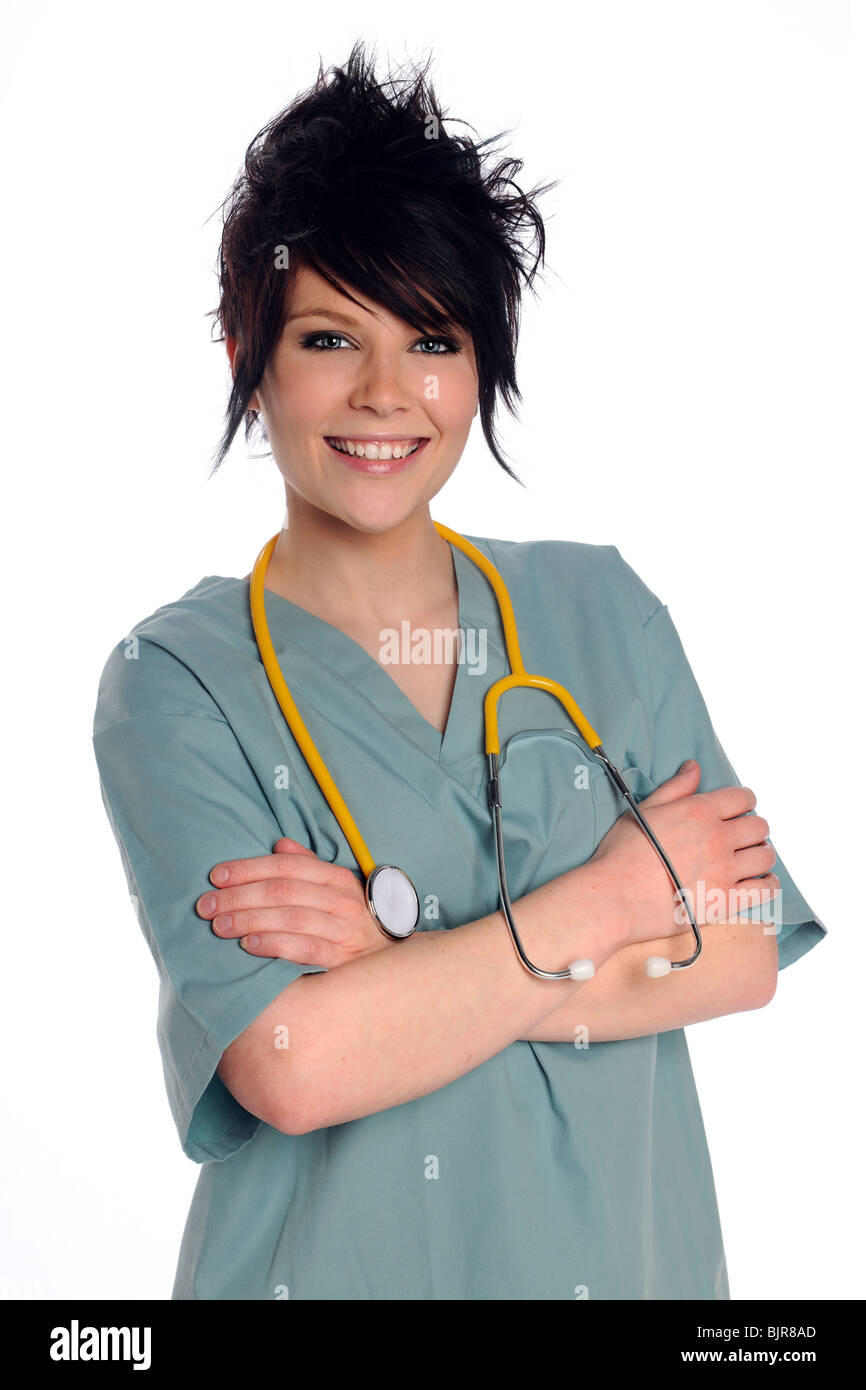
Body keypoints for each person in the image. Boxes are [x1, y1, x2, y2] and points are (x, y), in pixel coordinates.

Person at [91, 41, 826, 1301]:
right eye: (329, 337)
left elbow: (740, 954)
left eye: (430, 339)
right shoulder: (174, 682)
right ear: (244, 356)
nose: (385, 395)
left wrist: (397, 976)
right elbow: (292, 1063)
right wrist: (597, 908)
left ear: (478, 358)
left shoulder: (599, 608)